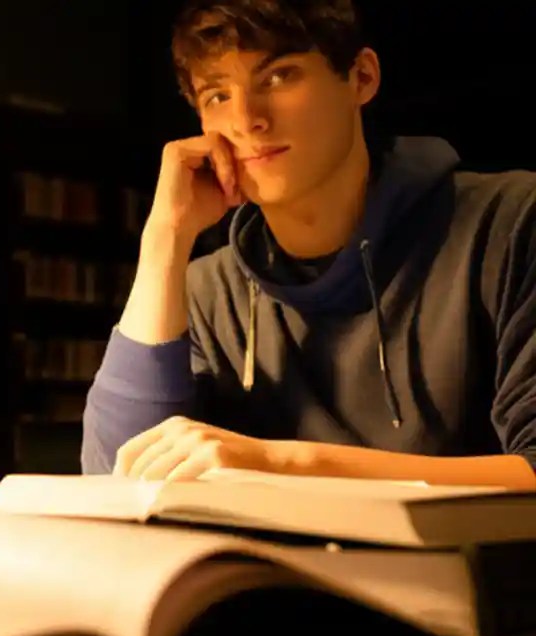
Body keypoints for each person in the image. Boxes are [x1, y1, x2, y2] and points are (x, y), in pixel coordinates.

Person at [81, 0, 536, 488]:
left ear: (361, 77)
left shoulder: (508, 223)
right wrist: (164, 240)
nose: (246, 120)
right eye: (216, 96)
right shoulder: (206, 292)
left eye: (277, 77)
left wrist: (287, 465)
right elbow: (118, 482)